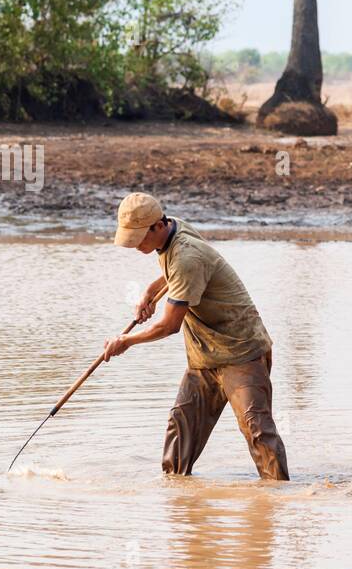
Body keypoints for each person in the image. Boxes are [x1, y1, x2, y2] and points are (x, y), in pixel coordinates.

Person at [102, 192, 289, 480]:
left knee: (257, 429)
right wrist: (150, 294)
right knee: (181, 426)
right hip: (204, 354)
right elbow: (173, 273)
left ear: (156, 226)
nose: (136, 245)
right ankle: (176, 494)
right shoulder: (173, 229)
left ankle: (279, 497)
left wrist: (125, 341)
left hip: (241, 351)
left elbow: (169, 325)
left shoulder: (187, 255)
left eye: (139, 238)